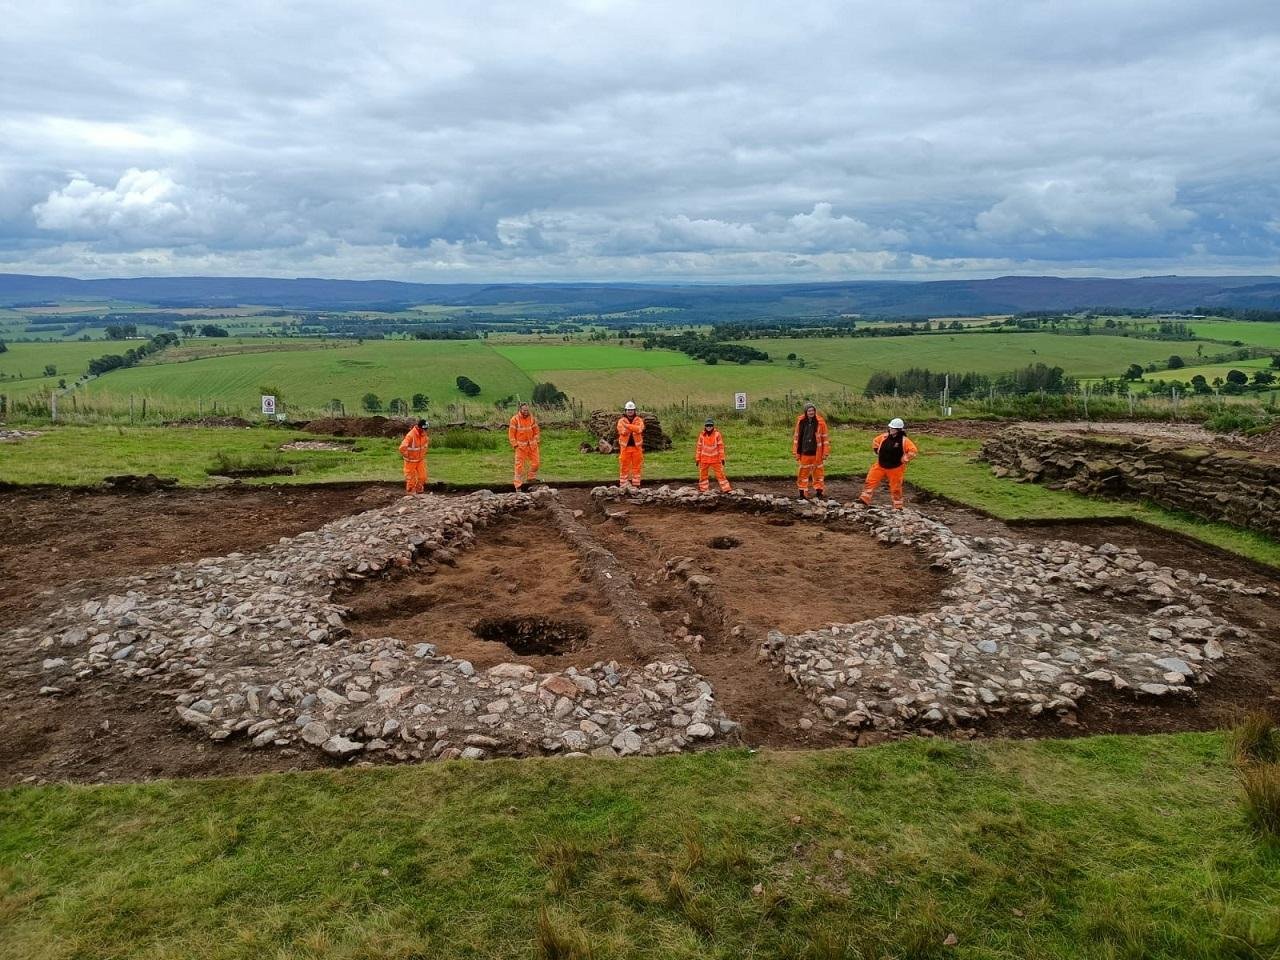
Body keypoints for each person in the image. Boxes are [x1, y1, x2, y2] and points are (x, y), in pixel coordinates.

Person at [859, 417, 918, 510]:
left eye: (893, 428)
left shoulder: (904, 441)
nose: (891, 430)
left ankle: (898, 506)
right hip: (880, 465)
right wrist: (877, 451)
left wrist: (905, 459)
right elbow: (875, 441)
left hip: (896, 468)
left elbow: (913, 451)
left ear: (899, 430)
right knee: (870, 481)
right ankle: (864, 499)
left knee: (896, 488)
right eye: (890, 428)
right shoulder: (884, 437)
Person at [792, 402, 829, 500]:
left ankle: (819, 491)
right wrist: (796, 452)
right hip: (804, 452)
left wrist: (825, 453)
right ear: (805, 412)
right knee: (803, 473)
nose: (811, 412)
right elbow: (797, 438)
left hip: (817, 453)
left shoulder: (820, 422)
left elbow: (825, 439)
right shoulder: (801, 422)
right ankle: (802, 492)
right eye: (809, 411)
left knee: (818, 473)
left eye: (812, 410)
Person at [508, 401, 541, 491]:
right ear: (520, 410)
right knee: (519, 467)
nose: (526, 412)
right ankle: (518, 486)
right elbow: (511, 435)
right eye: (524, 410)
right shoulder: (514, 420)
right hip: (520, 447)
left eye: (527, 410)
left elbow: (536, 431)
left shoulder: (532, 419)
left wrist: (536, 440)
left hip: (532, 446)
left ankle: (531, 478)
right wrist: (515, 445)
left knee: (536, 463)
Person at [694, 418, 731, 493]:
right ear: (705, 426)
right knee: (703, 475)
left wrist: (722, 458)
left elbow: (720, 447)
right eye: (707, 425)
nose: (709, 427)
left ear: (713, 426)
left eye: (710, 425)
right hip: (704, 459)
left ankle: (726, 489)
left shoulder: (717, 434)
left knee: (720, 475)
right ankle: (703, 489)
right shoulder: (702, 435)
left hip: (715, 459)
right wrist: (697, 459)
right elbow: (699, 447)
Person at [616, 401, 645, 489]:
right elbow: (623, 432)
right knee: (624, 466)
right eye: (628, 410)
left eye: (631, 410)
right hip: (625, 448)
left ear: (634, 410)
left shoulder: (639, 420)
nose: (630, 411)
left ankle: (636, 484)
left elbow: (639, 429)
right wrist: (633, 427)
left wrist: (627, 426)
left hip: (637, 448)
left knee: (637, 466)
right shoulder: (621, 421)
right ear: (625, 411)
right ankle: (623, 484)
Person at [398, 418, 429, 495]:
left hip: (420, 460)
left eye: (425, 429)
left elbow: (424, 446)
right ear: (419, 427)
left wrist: (423, 454)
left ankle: (419, 490)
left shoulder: (424, 435)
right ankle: (411, 494)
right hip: (410, 461)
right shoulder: (410, 435)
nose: (424, 431)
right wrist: (407, 456)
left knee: (423, 477)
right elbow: (402, 447)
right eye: (423, 429)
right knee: (411, 479)